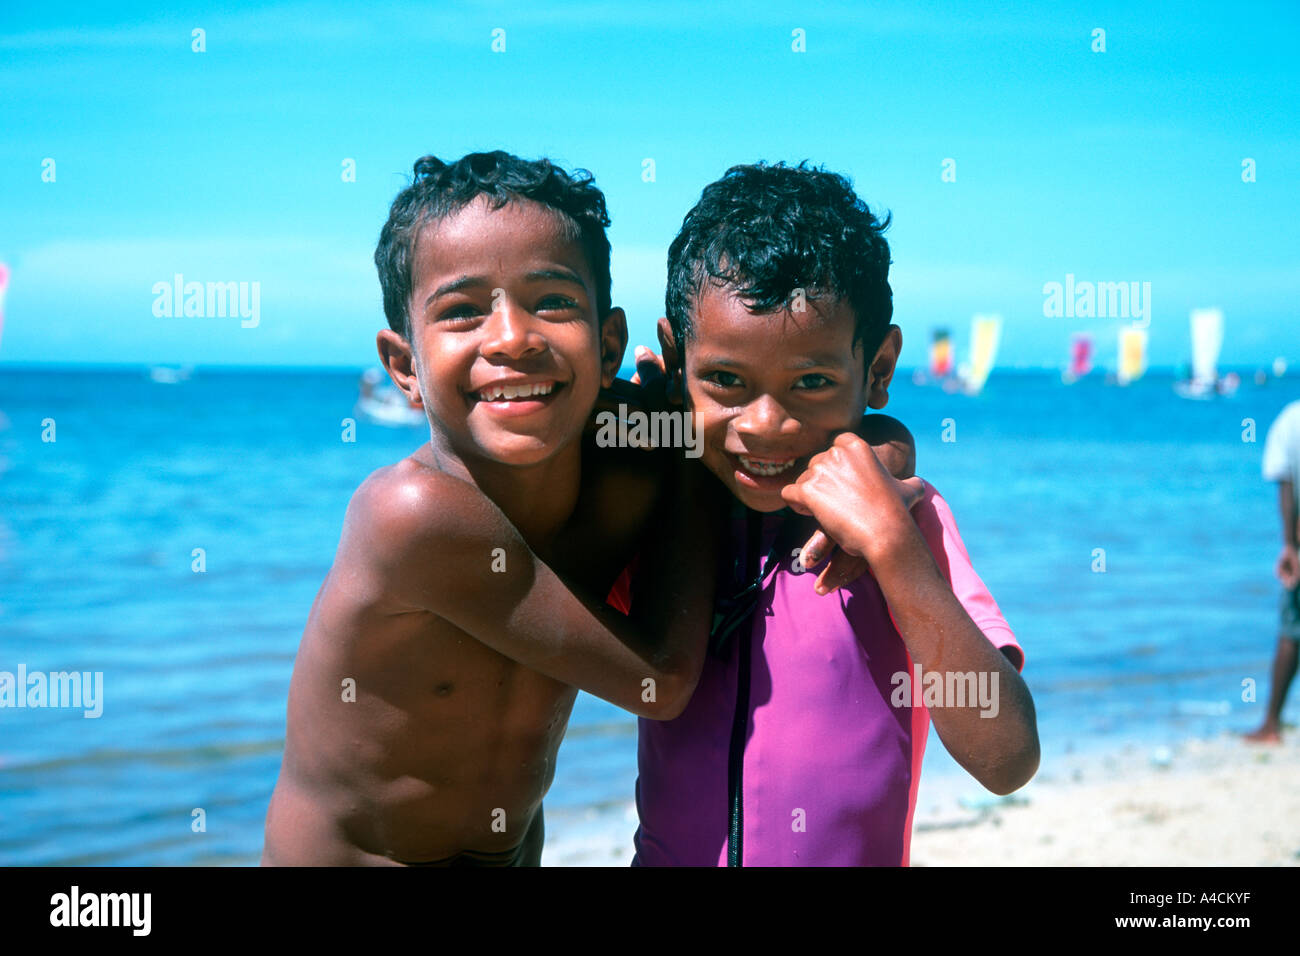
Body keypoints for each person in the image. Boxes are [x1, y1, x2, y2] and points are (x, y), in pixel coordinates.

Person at [261, 151, 724, 866]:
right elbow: (656, 682)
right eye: (462, 311)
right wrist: (688, 452)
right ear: (405, 366)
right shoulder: (411, 515)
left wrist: (882, 445)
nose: (512, 338)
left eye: (554, 302)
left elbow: (804, 434)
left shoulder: (631, 454)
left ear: (609, 344)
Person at [632, 162, 1040, 866]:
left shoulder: (906, 521)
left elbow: (1006, 759)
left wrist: (893, 550)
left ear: (878, 369)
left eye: (812, 382)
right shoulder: (655, 511)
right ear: (674, 360)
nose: (763, 425)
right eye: (725, 380)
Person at [1245, 399, 1300, 744]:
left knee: (1291, 631)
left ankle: (1271, 724)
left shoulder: (1290, 421)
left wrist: (1289, 545)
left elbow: (1287, 489)